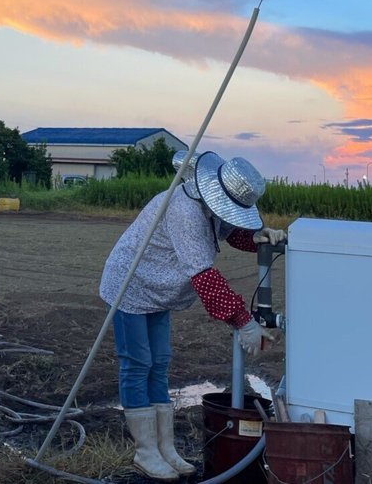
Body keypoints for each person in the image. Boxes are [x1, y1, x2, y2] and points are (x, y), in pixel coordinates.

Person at [99, 151, 286, 481]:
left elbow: (228, 230)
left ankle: (166, 448)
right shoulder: (185, 210)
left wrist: (257, 236)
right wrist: (243, 321)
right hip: (131, 284)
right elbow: (205, 277)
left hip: (158, 289)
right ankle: (146, 452)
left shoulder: (210, 203)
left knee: (159, 362)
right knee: (137, 362)